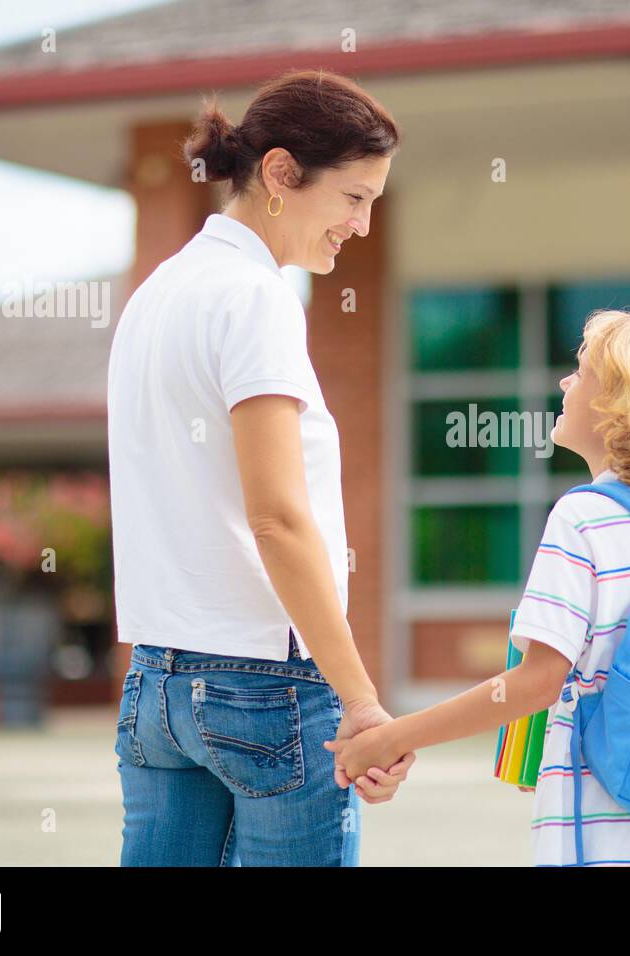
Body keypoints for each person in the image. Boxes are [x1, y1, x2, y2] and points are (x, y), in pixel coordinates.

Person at [326, 306, 630, 866]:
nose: (563, 382)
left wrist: (394, 737)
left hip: (603, 847)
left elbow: (537, 681)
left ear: (622, 408)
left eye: (581, 372)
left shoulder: (583, 516)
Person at [107, 70, 412, 867]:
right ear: (280, 173)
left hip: (156, 684)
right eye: (354, 197)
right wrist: (360, 700)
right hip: (265, 685)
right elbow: (276, 518)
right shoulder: (256, 297)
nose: (363, 225)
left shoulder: (156, 294)